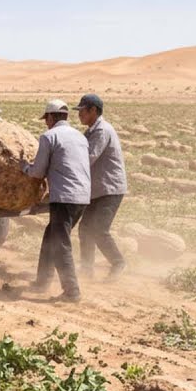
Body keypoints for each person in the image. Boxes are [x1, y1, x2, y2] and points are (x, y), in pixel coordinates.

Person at [22, 99, 91, 301]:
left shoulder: (49, 137)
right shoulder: (80, 137)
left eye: (46, 119)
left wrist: (23, 167)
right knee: (51, 235)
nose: (46, 123)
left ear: (51, 117)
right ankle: (42, 281)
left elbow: (37, 172)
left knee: (61, 243)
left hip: (64, 197)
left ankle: (72, 291)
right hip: (83, 196)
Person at [75, 94, 127, 280]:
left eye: (82, 110)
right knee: (85, 228)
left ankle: (118, 262)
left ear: (93, 111)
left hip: (109, 188)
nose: (79, 114)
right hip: (98, 189)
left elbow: (88, 157)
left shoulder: (101, 131)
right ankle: (87, 269)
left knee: (98, 229)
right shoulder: (91, 131)